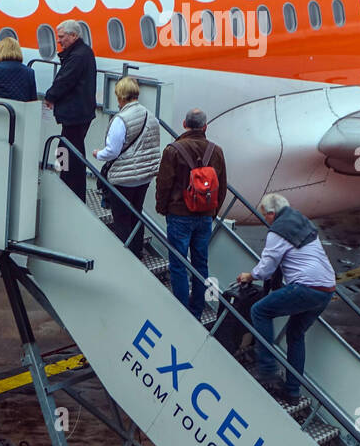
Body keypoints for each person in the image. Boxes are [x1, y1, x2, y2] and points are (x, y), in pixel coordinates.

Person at [237, 193, 336, 401]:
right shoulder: (301, 221)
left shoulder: (278, 231)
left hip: (306, 287)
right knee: (295, 335)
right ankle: (292, 392)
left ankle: (267, 370)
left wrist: (249, 275)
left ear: (272, 214)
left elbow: (266, 268)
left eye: (265, 216)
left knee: (259, 310)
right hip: (326, 288)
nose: (265, 220)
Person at [154, 108, 227, 320]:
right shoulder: (216, 151)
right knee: (200, 263)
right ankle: (196, 309)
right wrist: (213, 212)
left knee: (178, 263)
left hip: (179, 214)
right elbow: (221, 187)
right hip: (205, 215)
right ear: (205, 127)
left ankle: (181, 310)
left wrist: (162, 207)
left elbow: (164, 183)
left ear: (185, 124)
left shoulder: (173, 150)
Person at [92, 77, 161, 258]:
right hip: (145, 176)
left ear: (121, 96)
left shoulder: (120, 119)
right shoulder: (150, 115)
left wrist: (98, 154)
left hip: (124, 178)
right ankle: (137, 251)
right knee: (136, 214)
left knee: (121, 218)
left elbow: (113, 151)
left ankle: (125, 257)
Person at [43, 20, 97, 201]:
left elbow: (65, 80)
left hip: (75, 114)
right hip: (81, 113)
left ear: (74, 36)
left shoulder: (77, 56)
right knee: (70, 150)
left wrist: (50, 96)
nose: (59, 41)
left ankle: (69, 188)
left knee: (66, 151)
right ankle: (69, 185)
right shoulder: (83, 53)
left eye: (61, 37)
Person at [0, 36, 37, 102]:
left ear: (0, 51)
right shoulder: (29, 72)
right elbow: (33, 99)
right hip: (22, 110)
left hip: (1, 109)